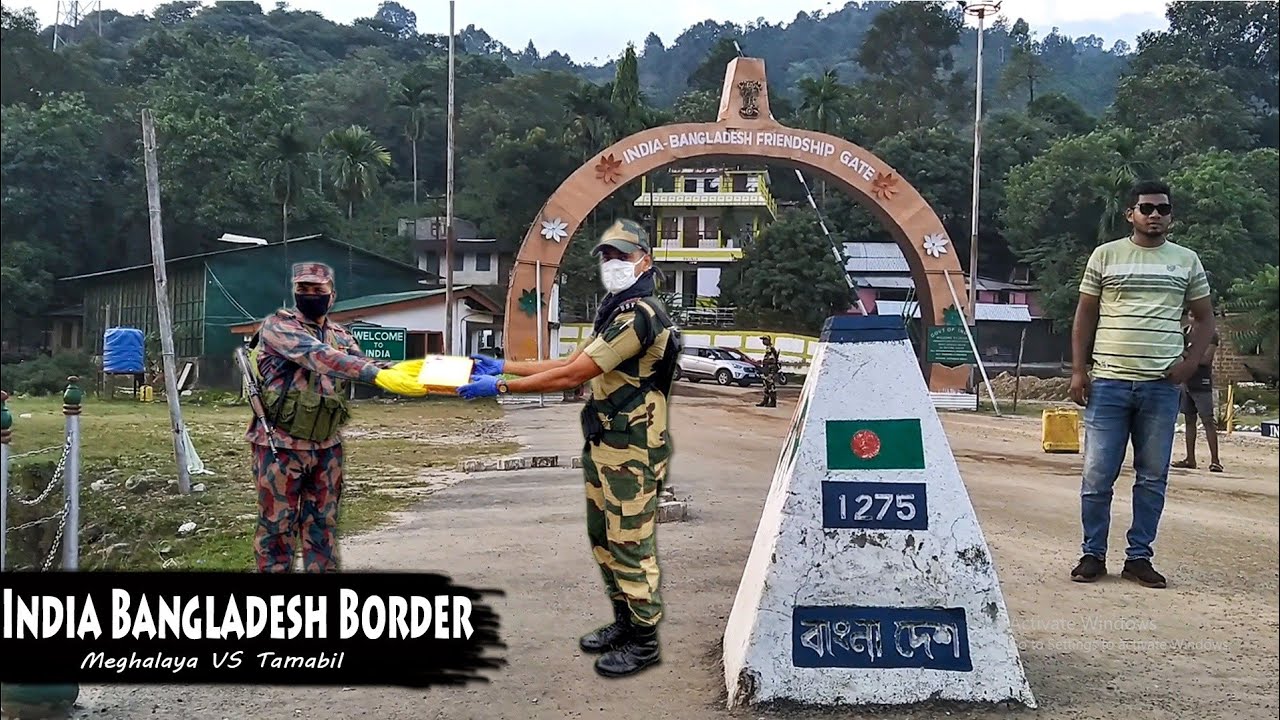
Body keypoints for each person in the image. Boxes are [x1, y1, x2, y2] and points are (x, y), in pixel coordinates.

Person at [457, 219, 681, 678]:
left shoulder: (640, 314)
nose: (612, 264)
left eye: (622, 255)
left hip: (633, 449)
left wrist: (499, 385)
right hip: (607, 442)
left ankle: (644, 641)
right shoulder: (617, 312)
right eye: (607, 256)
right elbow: (572, 361)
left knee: (630, 543)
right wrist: (508, 365)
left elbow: (571, 377)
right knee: (604, 538)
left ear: (645, 260)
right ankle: (624, 622)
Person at [1068, 180, 1215, 589]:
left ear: (1171, 216)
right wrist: (1079, 370)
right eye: (1146, 208)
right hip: (1109, 382)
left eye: (1162, 209)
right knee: (1098, 476)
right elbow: (1085, 315)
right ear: (1129, 214)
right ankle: (1092, 554)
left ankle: (1139, 558)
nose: (1155, 215)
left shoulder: (1186, 261)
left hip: (1160, 386)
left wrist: (1190, 363)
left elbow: (1205, 318)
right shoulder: (1106, 256)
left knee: (1152, 477)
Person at [244, 262, 427, 573]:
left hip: (326, 446)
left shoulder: (340, 333)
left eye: (318, 290)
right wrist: (373, 374)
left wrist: (414, 371)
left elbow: (362, 361)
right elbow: (321, 357)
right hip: (281, 445)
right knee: (276, 529)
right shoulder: (280, 326)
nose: (309, 295)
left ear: (331, 294)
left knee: (322, 529)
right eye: (303, 289)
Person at [1172, 311, 1223, 472]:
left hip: (1202, 382)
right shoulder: (1185, 333)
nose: (1194, 319)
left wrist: (1183, 353)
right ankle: (1190, 458)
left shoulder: (1210, 334)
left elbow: (1205, 360)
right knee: (1189, 421)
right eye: (1192, 315)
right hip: (1186, 382)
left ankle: (1215, 460)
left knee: (1208, 420)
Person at [758, 335, 780, 408]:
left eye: (764, 339)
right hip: (766, 370)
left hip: (770, 370)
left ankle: (773, 402)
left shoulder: (771, 349)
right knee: (766, 386)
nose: (763, 341)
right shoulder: (768, 348)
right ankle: (765, 400)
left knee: (770, 386)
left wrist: (764, 362)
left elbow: (773, 360)